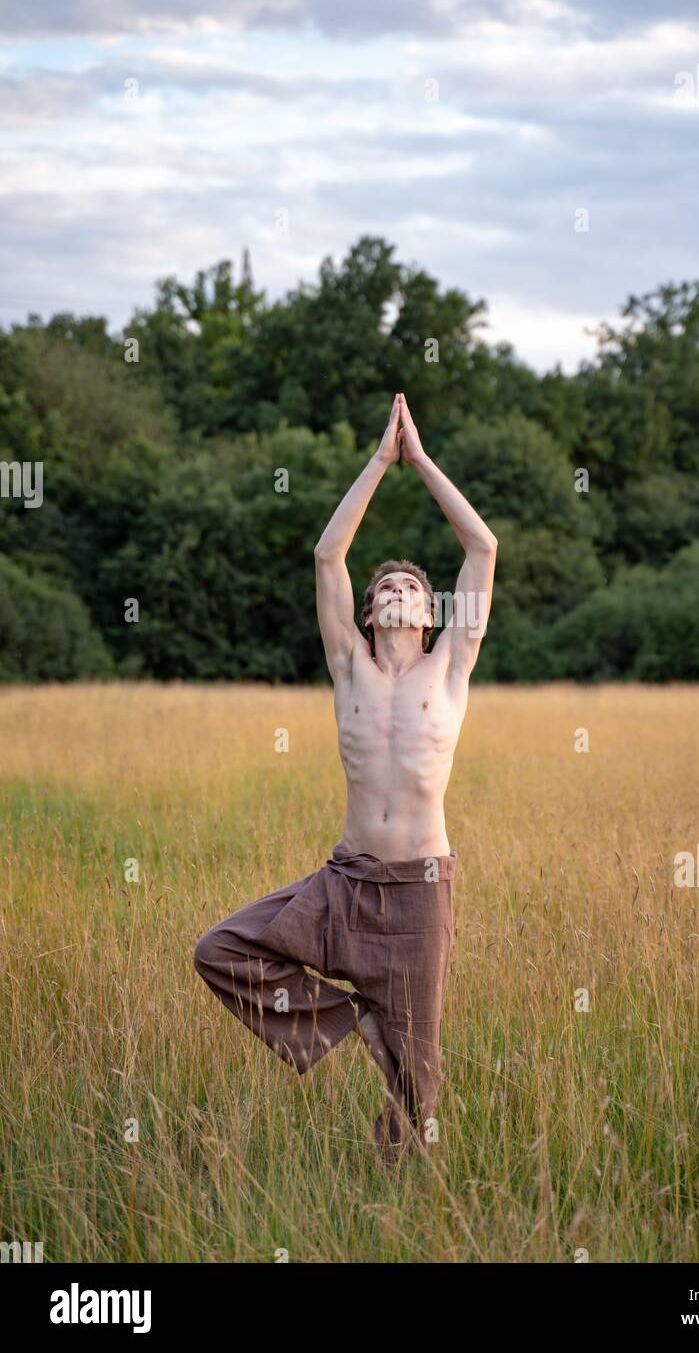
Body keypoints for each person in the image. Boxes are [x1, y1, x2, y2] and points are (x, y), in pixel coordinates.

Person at [194, 393, 497, 1161]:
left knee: (418, 1079)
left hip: (421, 887)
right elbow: (329, 555)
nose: (397, 592)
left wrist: (420, 461)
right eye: (385, 588)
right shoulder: (349, 670)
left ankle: (396, 1195)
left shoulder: (450, 668)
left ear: (432, 615)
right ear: (367, 615)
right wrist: (377, 461)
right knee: (222, 950)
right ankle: (348, 1018)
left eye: (411, 590)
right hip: (345, 879)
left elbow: (484, 549)